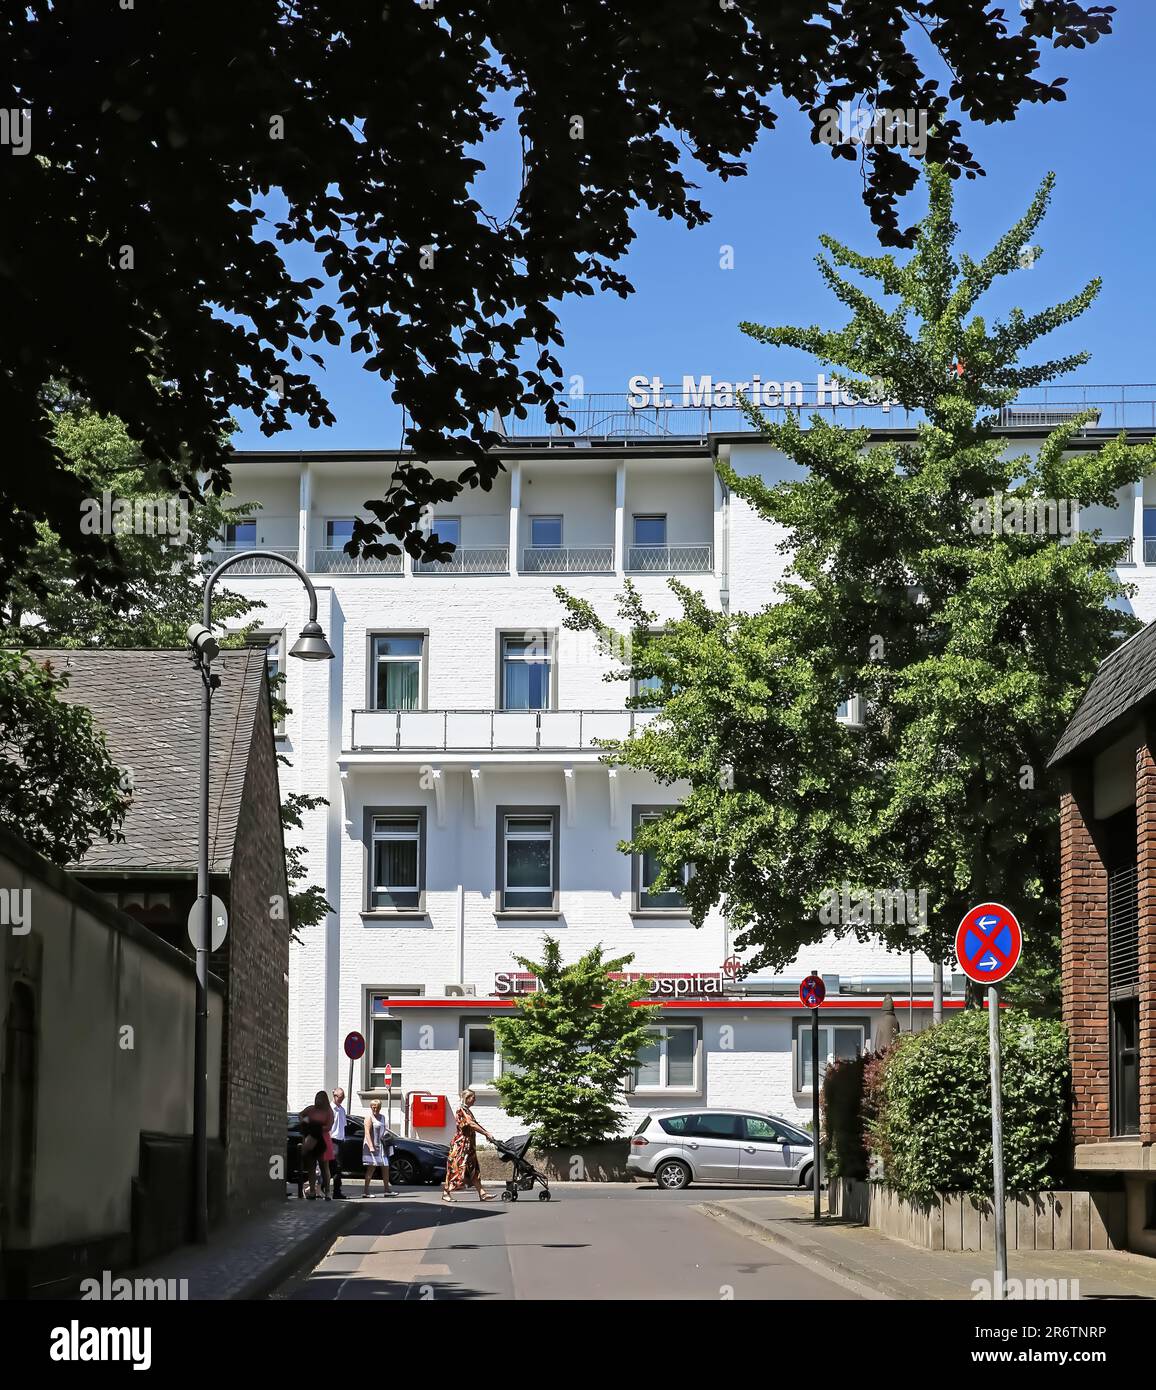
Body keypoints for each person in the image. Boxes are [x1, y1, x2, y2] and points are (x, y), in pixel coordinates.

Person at [441, 1089, 496, 1203]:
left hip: (468, 1146)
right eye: (473, 1097)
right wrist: (486, 1133)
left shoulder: (467, 1110)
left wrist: (486, 1133)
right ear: (467, 1098)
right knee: (455, 1169)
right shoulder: (461, 1110)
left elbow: (475, 1124)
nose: (475, 1100)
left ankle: (482, 1193)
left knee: (473, 1169)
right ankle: (446, 1192)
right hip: (460, 1146)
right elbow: (471, 1124)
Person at [299, 1090, 334, 1200]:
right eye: (317, 1098)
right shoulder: (311, 1109)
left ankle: (328, 1191)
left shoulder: (328, 1111)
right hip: (311, 1140)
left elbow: (329, 1126)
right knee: (311, 1166)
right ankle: (312, 1191)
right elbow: (301, 1115)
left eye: (320, 1099)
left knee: (324, 1167)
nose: (318, 1101)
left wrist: (315, 1127)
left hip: (323, 1140)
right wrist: (306, 1122)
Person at [362, 1099, 396, 1197]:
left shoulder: (382, 1117)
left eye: (377, 1107)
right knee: (371, 1167)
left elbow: (384, 1130)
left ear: (380, 1107)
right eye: (373, 1107)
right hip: (372, 1146)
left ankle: (387, 1190)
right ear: (370, 1107)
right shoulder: (369, 1118)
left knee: (386, 1167)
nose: (375, 1109)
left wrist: (388, 1139)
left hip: (382, 1146)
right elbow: (367, 1132)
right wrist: (371, 1146)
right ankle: (366, 1191)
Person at [329, 1087, 348, 1199]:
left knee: (335, 1167)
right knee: (336, 1166)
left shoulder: (342, 1110)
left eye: (343, 1097)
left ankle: (325, 1188)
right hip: (332, 1140)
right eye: (340, 1097)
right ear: (335, 1096)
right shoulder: (330, 1109)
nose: (341, 1100)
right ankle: (336, 1191)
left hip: (340, 1140)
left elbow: (343, 1126)